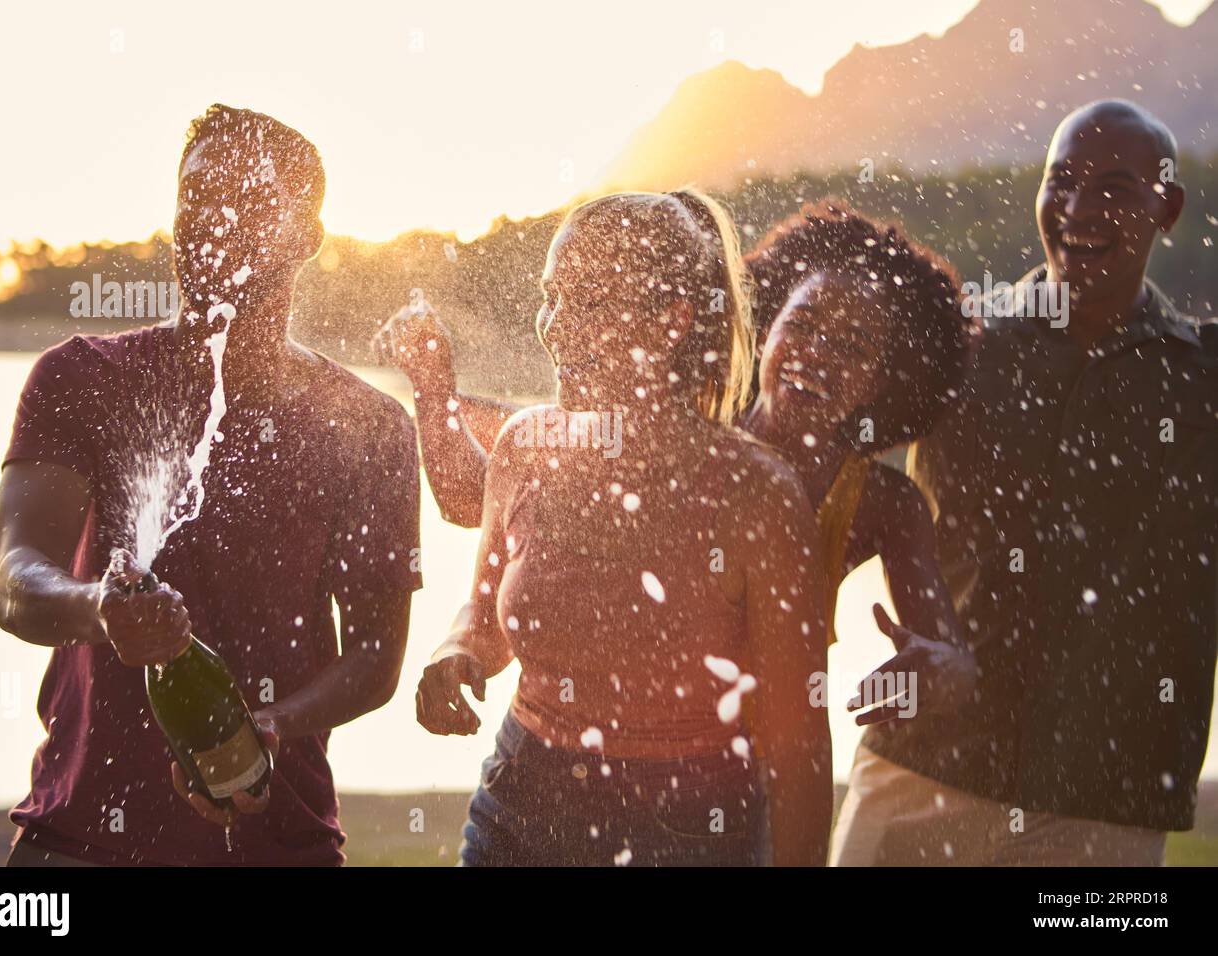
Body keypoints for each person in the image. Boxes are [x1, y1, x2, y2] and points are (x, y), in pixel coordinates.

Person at [0, 104, 422, 866]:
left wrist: (274, 726)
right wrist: (99, 610)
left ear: (308, 235)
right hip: (80, 841)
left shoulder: (372, 426)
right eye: (195, 198)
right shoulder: (79, 377)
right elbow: (15, 582)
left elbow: (374, 660)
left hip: (278, 843)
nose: (212, 220)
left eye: (249, 200)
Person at [381, 200, 978, 730]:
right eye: (802, 324)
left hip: (761, 773)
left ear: (888, 379)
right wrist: (434, 388)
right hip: (622, 753)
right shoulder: (680, 424)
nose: (816, 355)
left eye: (853, 347)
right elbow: (478, 490)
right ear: (767, 327)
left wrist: (941, 672)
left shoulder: (882, 505)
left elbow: (949, 657)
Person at [831, 99, 1218, 866]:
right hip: (926, 766)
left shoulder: (1202, 382)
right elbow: (821, 476)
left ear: (1166, 205)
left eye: (1113, 185)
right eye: (1061, 180)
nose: (1078, 209)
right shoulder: (958, 342)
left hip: (1105, 799)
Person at [414, 190, 832, 865]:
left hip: (691, 828)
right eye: (554, 297)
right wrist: (454, 654)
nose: (557, 326)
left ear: (672, 320)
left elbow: (798, 749)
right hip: (520, 804)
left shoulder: (759, 497)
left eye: (591, 304)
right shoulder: (524, 449)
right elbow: (486, 616)